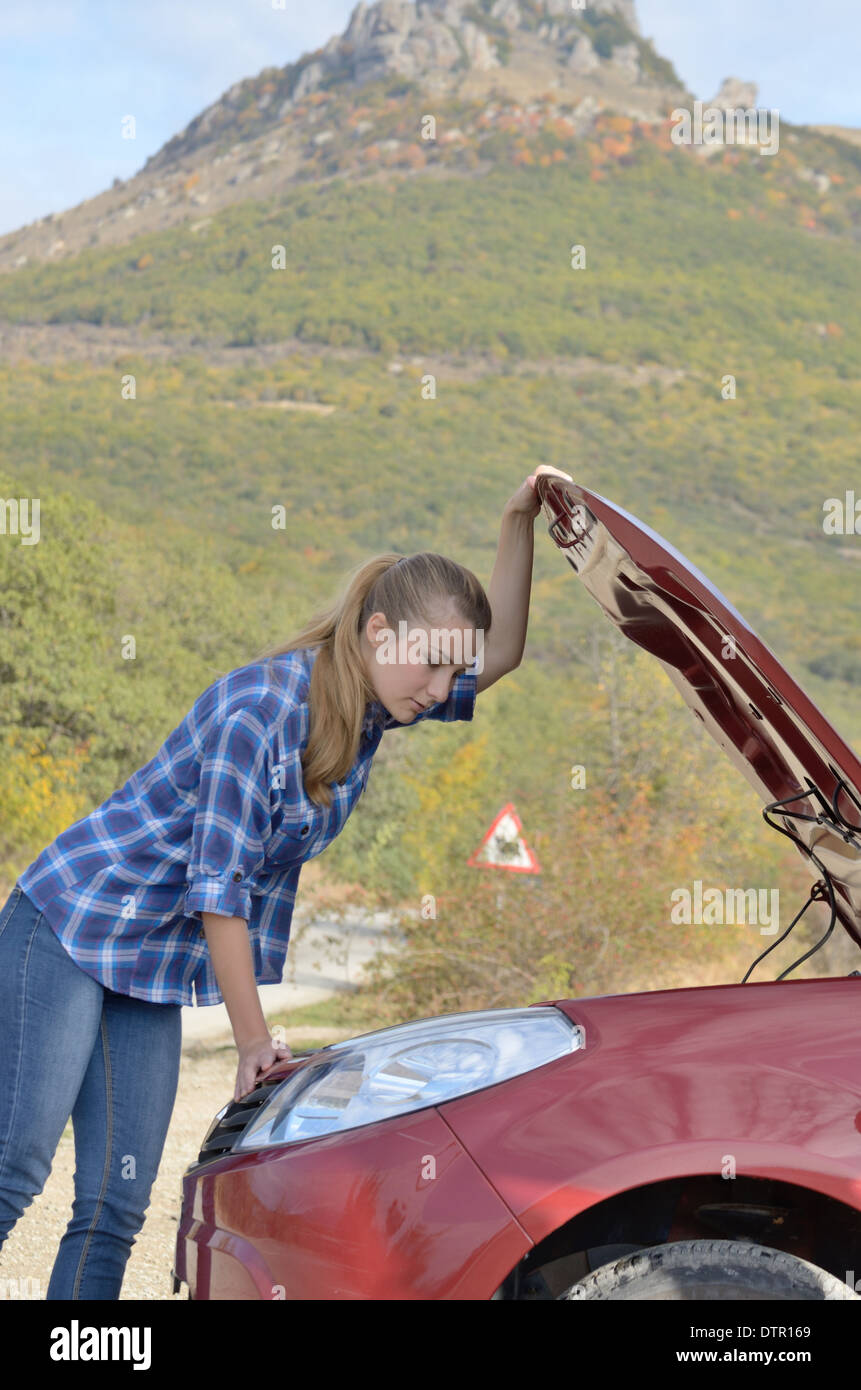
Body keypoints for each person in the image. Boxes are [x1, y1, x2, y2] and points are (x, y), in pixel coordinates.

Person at [0, 464, 570, 1300]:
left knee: (117, 1203)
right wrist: (252, 1040)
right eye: (432, 667)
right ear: (379, 633)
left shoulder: (373, 707)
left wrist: (516, 521)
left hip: (145, 962)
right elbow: (218, 890)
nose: (442, 691)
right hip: (69, 922)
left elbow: (504, 654)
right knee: (14, 1167)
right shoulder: (262, 711)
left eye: (451, 675)